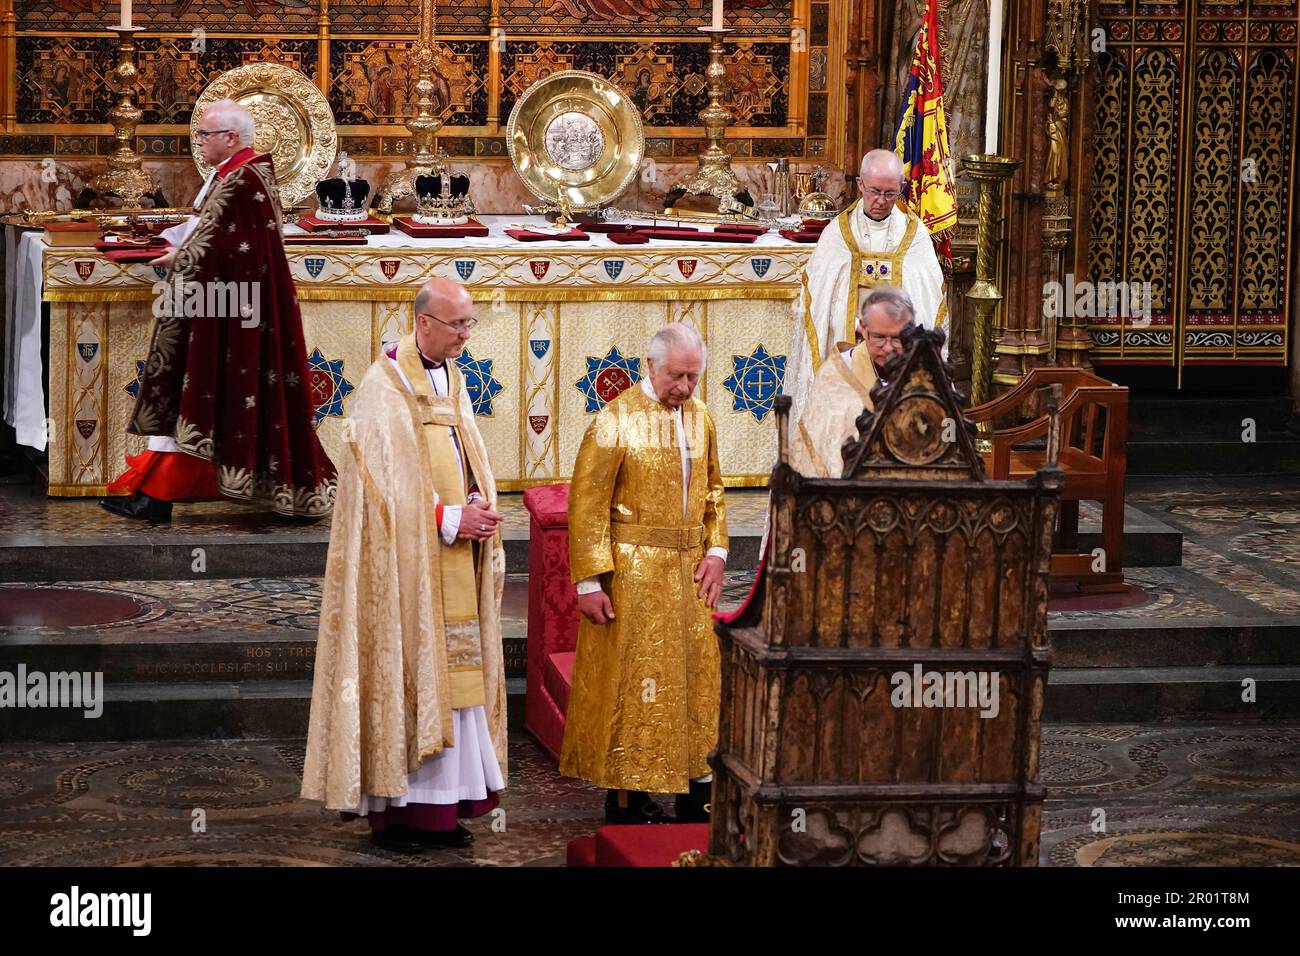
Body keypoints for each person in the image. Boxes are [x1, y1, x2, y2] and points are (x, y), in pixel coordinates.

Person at [301, 277, 508, 854]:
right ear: (422, 323)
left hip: (454, 557)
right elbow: (381, 496)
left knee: (459, 683)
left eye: (470, 324)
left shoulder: (452, 376)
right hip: (403, 569)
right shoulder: (383, 387)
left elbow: (463, 454)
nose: (466, 335)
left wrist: (473, 500)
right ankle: (401, 815)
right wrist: (445, 520)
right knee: (408, 675)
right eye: (457, 325)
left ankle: (446, 807)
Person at [101, 99, 335, 521]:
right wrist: (172, 244)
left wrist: (181, 258)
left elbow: (235, 248)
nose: (200, 142)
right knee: (195, 393)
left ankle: (157, 497)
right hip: (216, 302)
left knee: (204, 393)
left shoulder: (245, 179)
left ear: (230, 138)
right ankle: (154, 495)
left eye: (205, 134)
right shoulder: (230, 173)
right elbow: (208, 230)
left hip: (231, 308)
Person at [559, 323, 729, 825]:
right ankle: (628, 799)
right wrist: (589, 581)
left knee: (696, 682)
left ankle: (697, 793)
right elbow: (586, 504)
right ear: (650, 366)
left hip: (691, 573)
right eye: (676, 375)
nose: (684, 387)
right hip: (632, 575)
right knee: (637, 684)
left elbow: (715, 491)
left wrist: (717, 552)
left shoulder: (701, 418)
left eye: (693, 377)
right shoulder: (615, 421)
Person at [786, 148, 945, 429]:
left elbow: (928, 296)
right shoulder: (838, 233)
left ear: (902, 189)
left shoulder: (914, 235)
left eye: (890, 193)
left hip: (898, 359)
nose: (881, 201)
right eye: (873, 191)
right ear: (860, 184)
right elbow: (819, 300)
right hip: (850, 356)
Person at [791, 285, 914, 478]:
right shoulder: (835, 376)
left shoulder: (927, 372)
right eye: (879, 337)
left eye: (898, 338)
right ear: (863, 330)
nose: (888, 348)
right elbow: (819, 454)